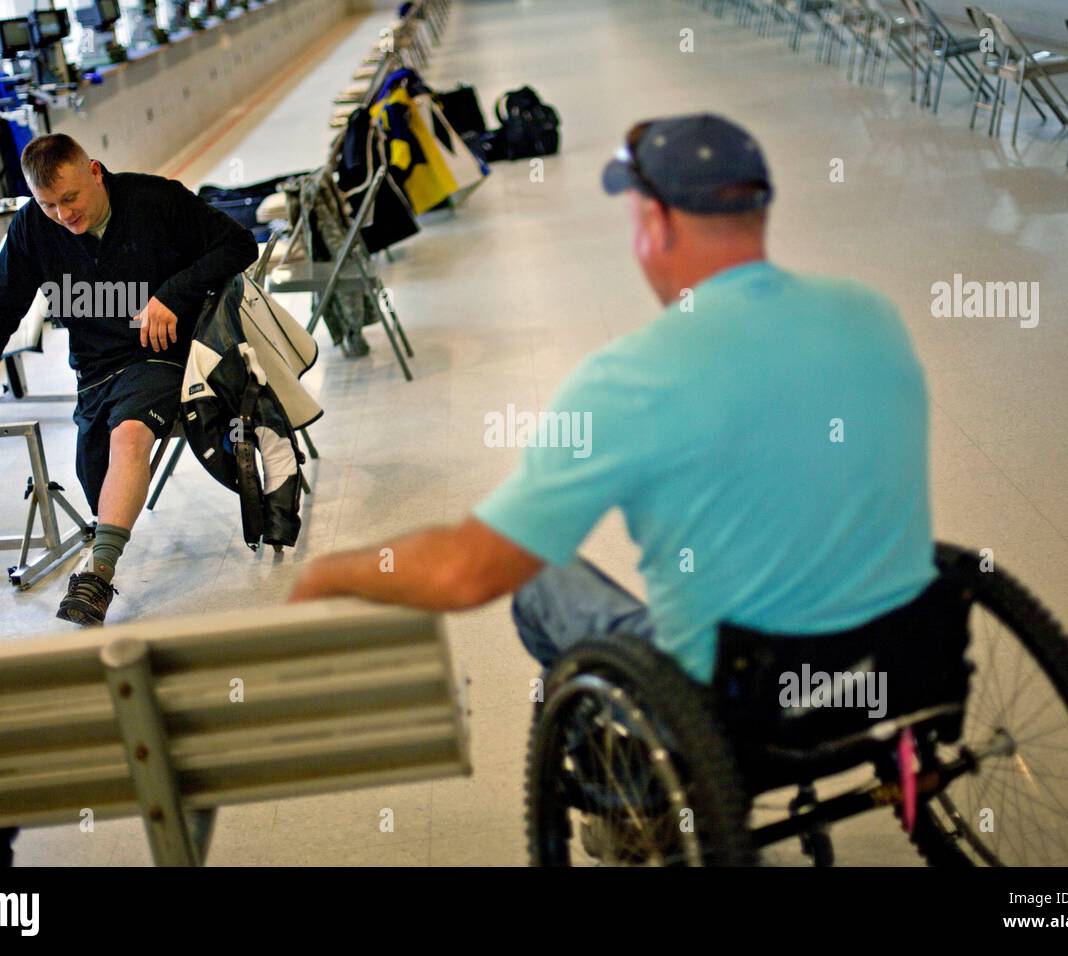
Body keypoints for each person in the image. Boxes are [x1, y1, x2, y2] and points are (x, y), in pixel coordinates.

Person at [288, 113, 935, 689]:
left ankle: (639, 808)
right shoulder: (869, 314)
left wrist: (333, 573)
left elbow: (467, 572)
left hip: (737, 695)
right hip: (897, 666)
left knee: (541, 582)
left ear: (654, 222)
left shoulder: (630, 378)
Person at [0, 134, 259, 625]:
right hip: (95, 371)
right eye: (49, 204)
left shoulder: (155, 199)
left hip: (160, 357)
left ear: (95, 171)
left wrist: (174, 293)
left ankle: (95, 578)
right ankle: (107, 539)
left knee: (130, 434)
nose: (63, 215)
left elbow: (239, 244)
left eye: (70, 198)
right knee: (99, 485)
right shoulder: (34, 226)